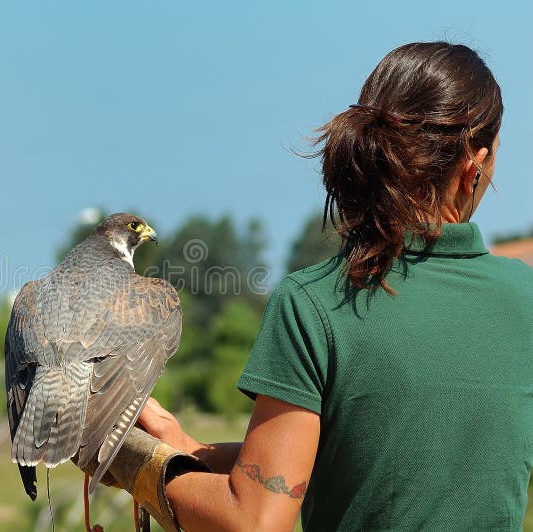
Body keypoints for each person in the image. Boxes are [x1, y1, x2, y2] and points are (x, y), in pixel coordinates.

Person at [99, 42, 532, 531]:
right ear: (474, 165)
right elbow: (378, 454)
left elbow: (255, 520)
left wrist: (143, 466)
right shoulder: (525, 298)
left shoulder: (315, 304)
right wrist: (190, 451)